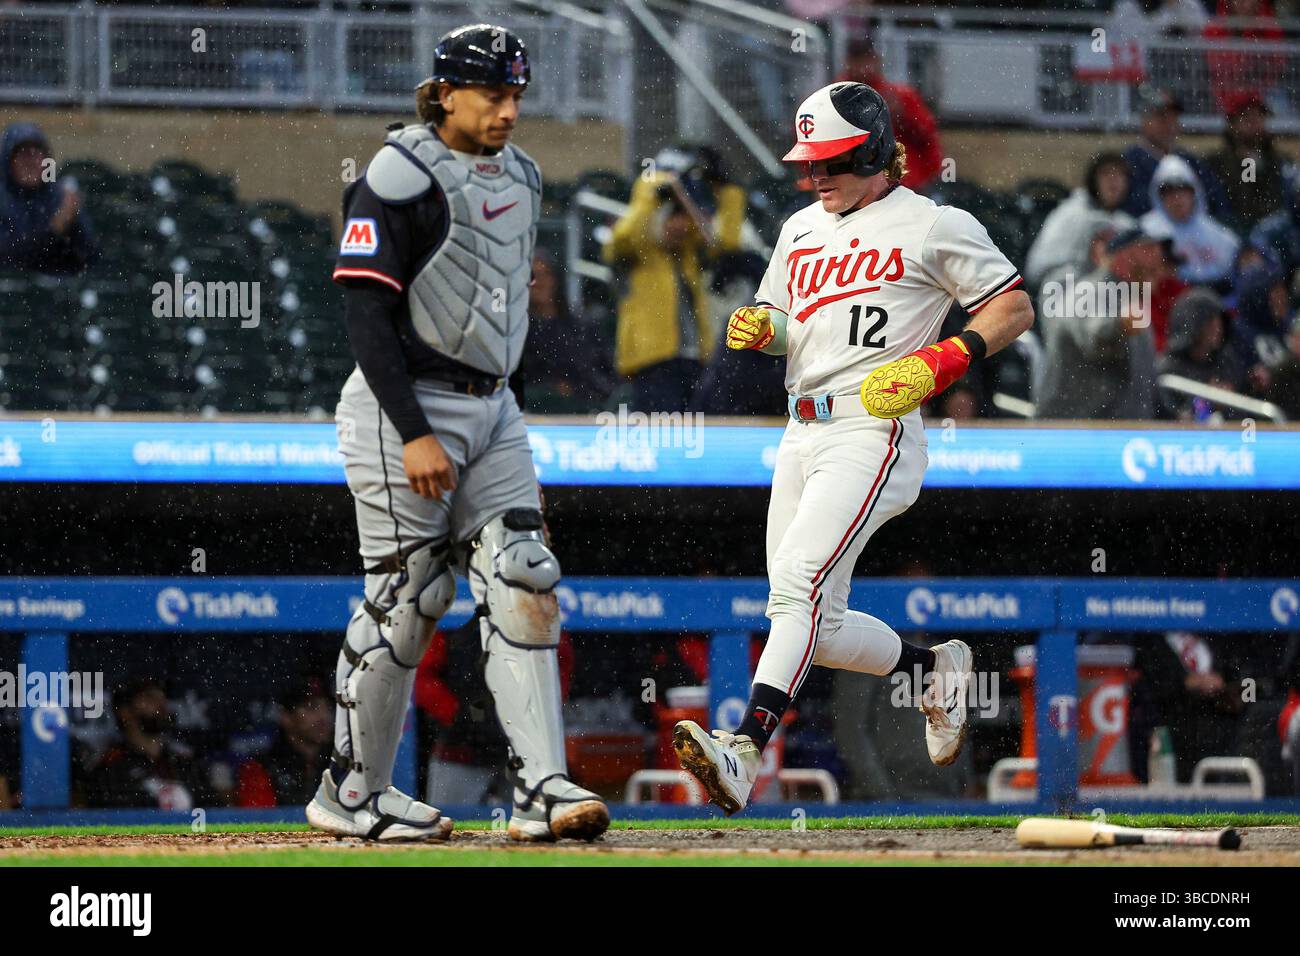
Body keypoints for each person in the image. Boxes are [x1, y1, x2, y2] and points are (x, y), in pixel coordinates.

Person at [671, 82, 1034, 815]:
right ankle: (936, 667)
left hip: (875, 425)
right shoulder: (801, 227)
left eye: (829, 161)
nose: (814, 176)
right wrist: (761, 329)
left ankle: (743, 752)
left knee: (800, 581)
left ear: (871, 151)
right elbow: (780, 315)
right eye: (809, 163)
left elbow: (1013, 305)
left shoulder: (933, 222)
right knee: (808, 620)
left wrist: (949, 357)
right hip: (800, 427)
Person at [308, 23, 608, 844]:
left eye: (516, 95)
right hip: (399, 403)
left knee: (524, 571)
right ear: (444, 92)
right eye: (491, 94)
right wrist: (413, 432)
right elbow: (365, 311)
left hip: (494, 404)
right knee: (410, 596)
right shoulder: (397, 171)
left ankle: (541, 788)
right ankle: (352, 791)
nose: (508, 110)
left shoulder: (524, 174)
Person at [603, 144, 746, 411]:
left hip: (694, 360)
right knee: (661, 440)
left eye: (683, 218)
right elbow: (623, 237)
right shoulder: (639, 254)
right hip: (652, 362)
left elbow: (727, 245)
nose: (679, 226)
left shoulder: (691, 255)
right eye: (670, 217)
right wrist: (653, 185)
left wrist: (729, 191)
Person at [1035, 227, 1168, 420]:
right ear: (1122, 256)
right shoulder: (1087, 292)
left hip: (1120, 436)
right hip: (1073, 434)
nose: (1158, 259)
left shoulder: (1132, 303)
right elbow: (1095, 339)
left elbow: (1147, 388)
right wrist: (1118, 326)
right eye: (1148, 250)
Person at [83, 678, 209, 810]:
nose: (162, 703)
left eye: (162, 697)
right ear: (124, 712)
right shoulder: (111, 767)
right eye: (150, 698)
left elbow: (217, 814)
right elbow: (115, 820)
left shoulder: (183, 763)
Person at [837, 37, 944, 192]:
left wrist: (902, 116)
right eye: (857, 60)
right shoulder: (833, 98)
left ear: (876, 60)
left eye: (865, 59)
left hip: (904, 184)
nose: (862, 66)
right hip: (855, 187)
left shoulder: (900, 96)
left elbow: (928, 137)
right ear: (848, 62)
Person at [1121, 86, 1232, 225]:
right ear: (1144, 120)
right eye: (1161, 117)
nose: (1168, 123)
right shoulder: (1128, 162)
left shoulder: (1190, 161)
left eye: (1173, 117)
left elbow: (1217, 202)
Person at [1024, 151, 1135, 289]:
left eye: (1120, 174)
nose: (1113, 180)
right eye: (1106, 173)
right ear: (1093, 180)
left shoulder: (1128, 225)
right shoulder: (1070, 213)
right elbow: (1035, 268)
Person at [0, 122, 95, 276]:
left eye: (36, 153)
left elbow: (87, 257)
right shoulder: (3, 200)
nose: (31, 161)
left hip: (61, 291)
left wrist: (73, 224)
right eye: (23, 154)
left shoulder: (60, 196)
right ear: (8, 161)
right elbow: (9, 257)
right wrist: (54, 231)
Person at [522, 249, 612, 410]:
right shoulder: (518, 332)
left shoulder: (582, 327)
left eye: (545, 274)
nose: (540, 282)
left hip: (588, 411)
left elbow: (601, 375)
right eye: (533, 276)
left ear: (555, 279)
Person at [1140, 155, 1240, 287]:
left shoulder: (1219, 235)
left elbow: (1232, 269)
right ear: (1159, 196)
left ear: (1194, 193)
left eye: (1182, 190)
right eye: (1169, 192)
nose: (1176, 198)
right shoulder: (1144, 232)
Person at [236, 676, 333, 808]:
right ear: (285, 717)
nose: (324, 717)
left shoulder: (342, 764)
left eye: (328, 707)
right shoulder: (261, 768)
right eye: (312, 707)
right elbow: (261, 824)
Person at [1205, 92, 1289, 235]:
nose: (1254, 123)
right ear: (1232, 123)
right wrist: (1248, 164)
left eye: (1259, 116)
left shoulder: (1280, 161)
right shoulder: (1215, 163)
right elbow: (1244, 206)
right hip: (1231, 234)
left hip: (1276, 236)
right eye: (1246, 118)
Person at [1158, 287, 1246, 417]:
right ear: (1192, 325)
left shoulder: (1226, 362)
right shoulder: (1168, 371)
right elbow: (1170, 419)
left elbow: (1244, 412)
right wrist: (1205, 402)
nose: (1218, 329)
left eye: (1219, 321)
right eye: (1210, 322)